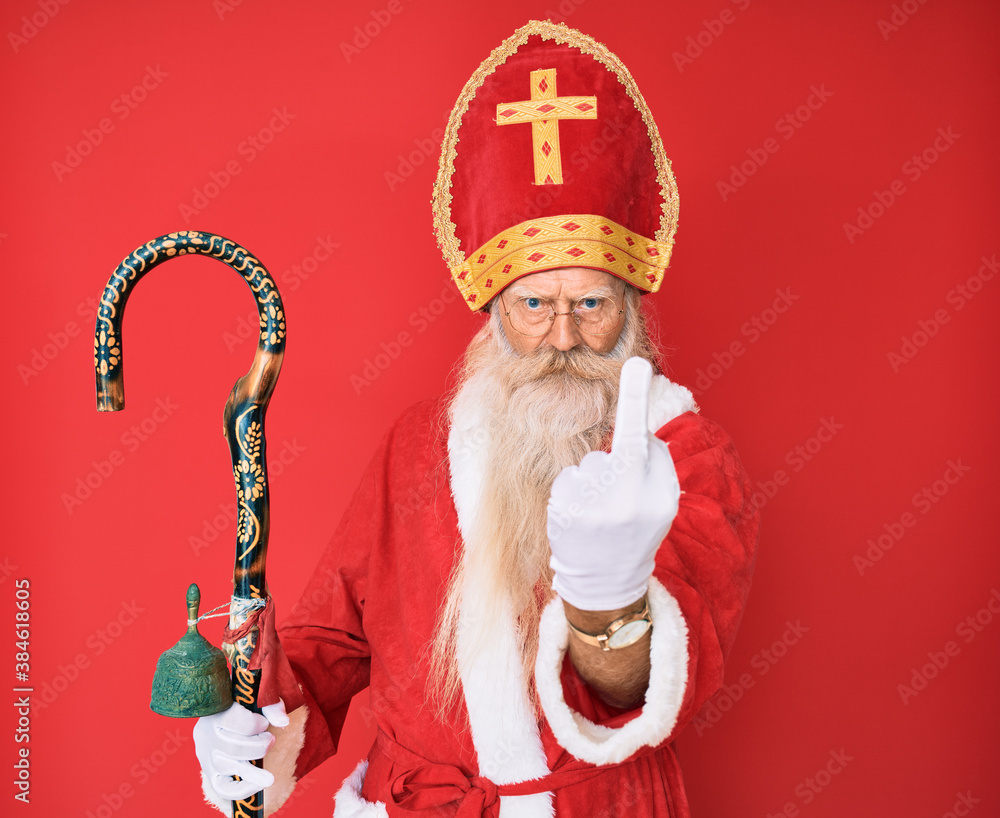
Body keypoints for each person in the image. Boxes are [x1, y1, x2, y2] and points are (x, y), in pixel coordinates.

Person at [193, 20, 758, 818]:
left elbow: (649, 691)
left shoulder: (687, 455)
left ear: (631, 312)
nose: (562, 338)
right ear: (493, 312)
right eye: (534, 305)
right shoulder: (417, 444)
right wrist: (257, 722)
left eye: (590, 305)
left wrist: (609, 599)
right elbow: (335, 639)